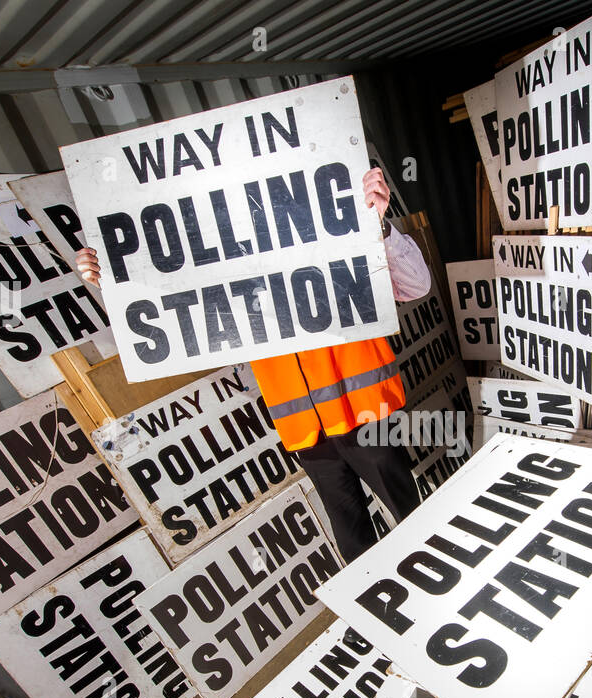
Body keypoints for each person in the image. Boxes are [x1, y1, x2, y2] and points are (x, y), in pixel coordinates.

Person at [76, 165, 430, 563]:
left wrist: (379, 227)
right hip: (305, 429)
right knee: (354, 543)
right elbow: (176, 319)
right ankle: (379, 613)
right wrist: (115, 281)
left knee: (411, 521)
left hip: (365, 412)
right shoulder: (226, 270)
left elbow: (417, 286)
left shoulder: (332, 236)